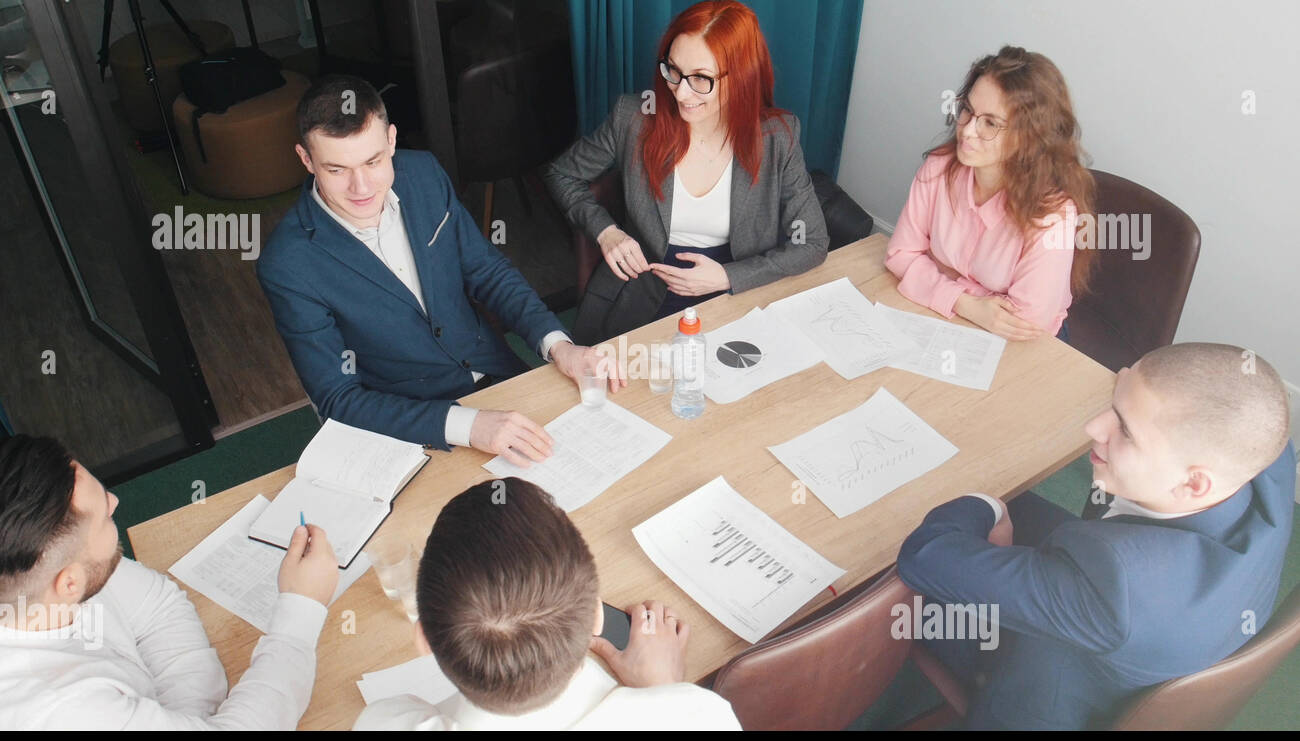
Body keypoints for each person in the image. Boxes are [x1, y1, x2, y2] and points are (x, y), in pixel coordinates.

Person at [897, 343, 1295, 730]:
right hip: (1149, 603)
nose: (1093, 427)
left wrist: (986, 503)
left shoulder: (1115, 591)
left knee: (888, 582)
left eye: (1124, 431)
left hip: (1036, 693)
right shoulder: (1265, 456)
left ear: (1194, 484)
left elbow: (924, 555)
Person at [258, 75, 625, 467]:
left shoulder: (423, 174)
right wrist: (468, 426)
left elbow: (487, 271)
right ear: (306, 160)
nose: (361, 187)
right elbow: (338, 398)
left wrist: (560, 347)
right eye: (336, 170)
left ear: (392, 140)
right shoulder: (288, 264)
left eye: (373, 161)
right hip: (413, 427)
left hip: (498, 374)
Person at [0, 435, 340, 729]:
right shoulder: (65, 714)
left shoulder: (40, 574)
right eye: (103, 512)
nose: (114, 501)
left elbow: (159, 606)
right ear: (69, 584)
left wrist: (190, 720)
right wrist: (301, 609)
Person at [543, 0, 828, 345]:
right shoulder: (633, 119)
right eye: (673, 70)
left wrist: (726, 276)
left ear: (742, 76)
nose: (679, 91)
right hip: (643, 290)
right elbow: (562, 174)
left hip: (738, 289)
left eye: (700, 79)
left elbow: (811, 243)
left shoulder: (778, 137)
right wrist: (605, 231)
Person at [353, 477, 741, 730]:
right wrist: (666, 693)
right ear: (595, 617)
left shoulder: (384, 723)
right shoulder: (703, 717)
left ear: (425, 642)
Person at [885, 46, 1094, 341]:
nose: (967, 131)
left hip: (1028, 344)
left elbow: (1026, 322)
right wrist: (968, 303)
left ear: (1029, 138)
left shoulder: (1053, 215)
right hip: (954, 317)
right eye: (968, 110)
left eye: (990, 123)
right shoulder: (939, 167)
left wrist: (939, 271)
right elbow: (899, 255)